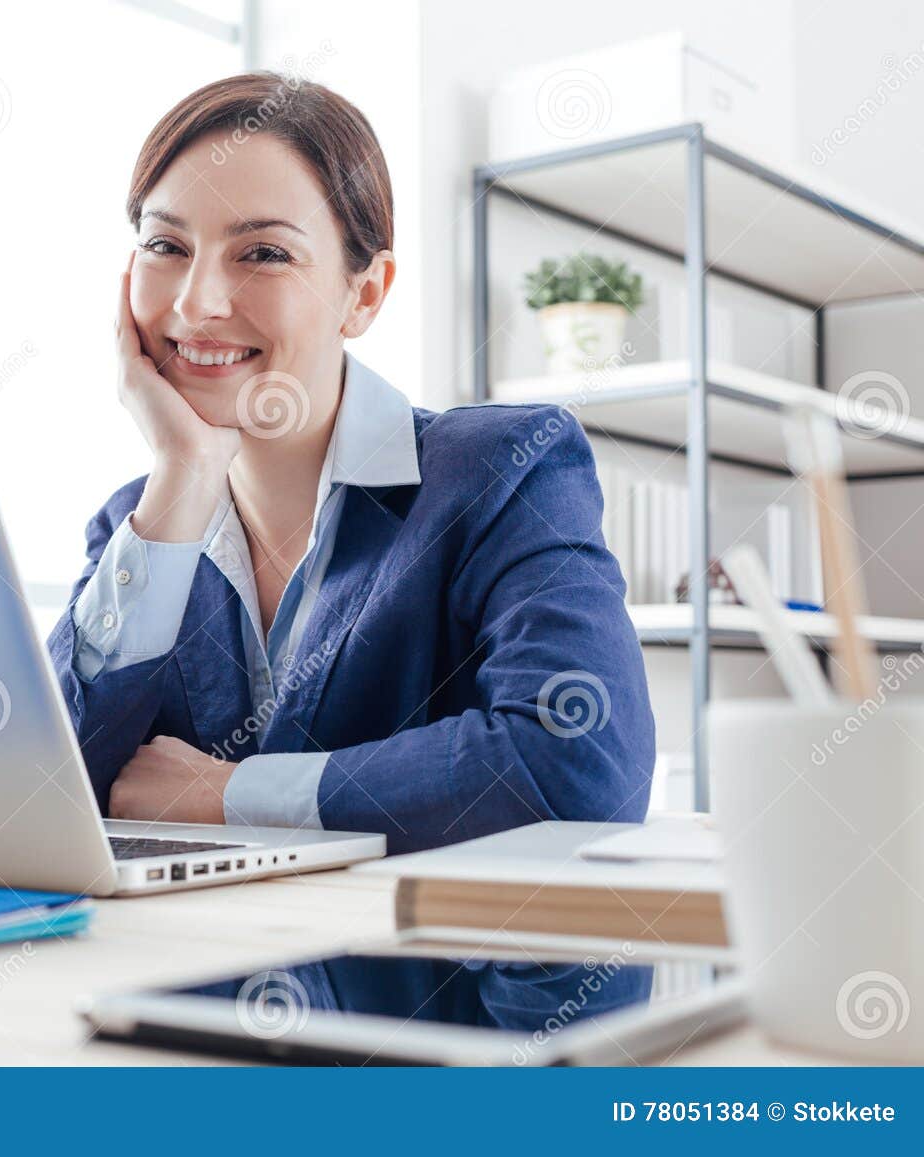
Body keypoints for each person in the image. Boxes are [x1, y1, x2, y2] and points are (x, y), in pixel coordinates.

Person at [45, 73, 655, 1026]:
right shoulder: (141, 524)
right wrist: (179, 478)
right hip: (220, 1043)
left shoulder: (501, 468)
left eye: (263, 253)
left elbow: (576, 762)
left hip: (474, 1056)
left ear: (362, 293)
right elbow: (45, 799)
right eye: (165, 246)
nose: (199, 302)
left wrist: (228, 793)